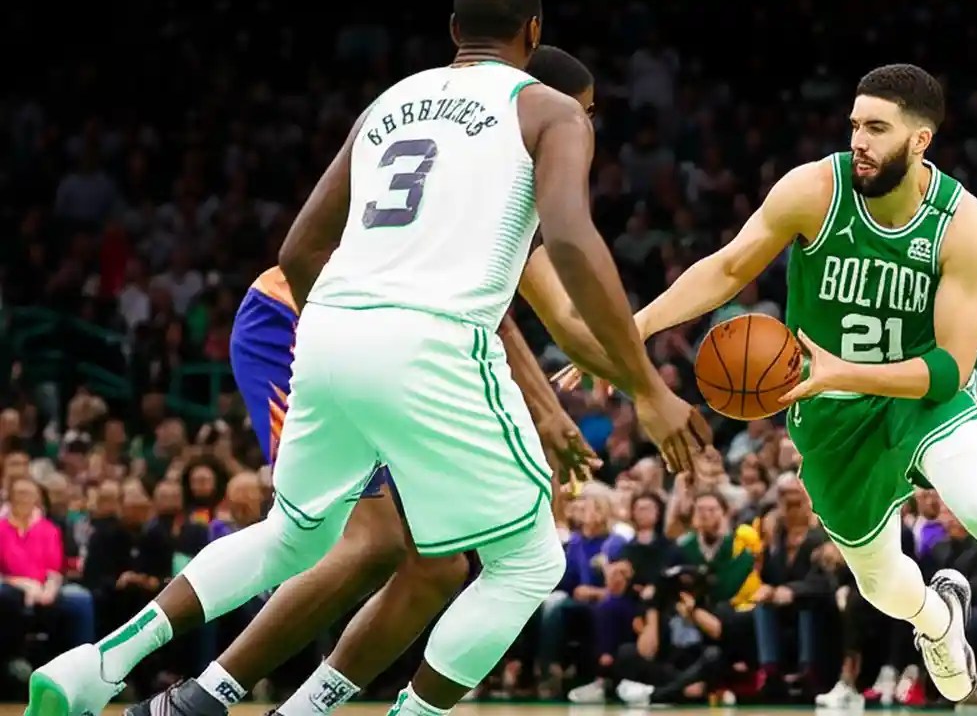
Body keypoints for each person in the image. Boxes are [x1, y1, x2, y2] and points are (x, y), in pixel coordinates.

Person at [27, 0, 709, 714]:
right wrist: (649, 389)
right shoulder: (550, 115)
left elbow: (298, 249)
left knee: (302, 535)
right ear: (533, 33)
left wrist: (360, 324)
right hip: (417, 342)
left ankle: (99, 666)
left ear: (453, 30)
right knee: (526, 562)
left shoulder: (393, 101)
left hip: (326, 327)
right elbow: (571, 246)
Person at [561, 63, 977, 716]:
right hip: (827, 415)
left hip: (922, 399)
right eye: (855, 124)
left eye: (877, 128)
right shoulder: (812, 190)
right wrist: (635, 329)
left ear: (919, 141)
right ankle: (938, 618)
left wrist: (838, 372)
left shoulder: (963, 222)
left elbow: (948, 368)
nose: (858, 139)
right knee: (881, 583)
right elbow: (730, 265)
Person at [99, 45, 602, 716]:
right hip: (301, 322)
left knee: (437, 564)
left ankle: (292, 710)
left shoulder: (479, 159)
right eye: (587, 110)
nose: (587, 124)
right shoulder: (495, 162)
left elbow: (520, 317)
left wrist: (615, 366)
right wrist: (593, 396)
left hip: (391, 346)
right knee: (368, 540)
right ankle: (199, 698)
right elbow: (505, 324)